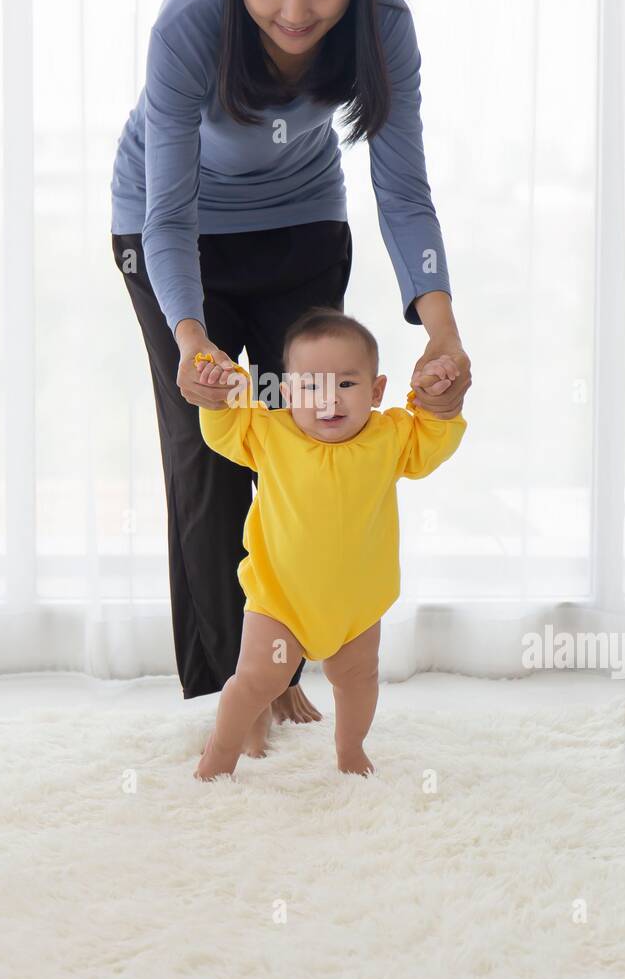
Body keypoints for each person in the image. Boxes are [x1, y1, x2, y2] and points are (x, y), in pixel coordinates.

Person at [110, 0, 472, 732]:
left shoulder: (384, 24)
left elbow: (404, 192)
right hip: (169, 232)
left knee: (308, 434)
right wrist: (194, 342)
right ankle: (222, 692)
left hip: (301, 226)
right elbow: (168, 213)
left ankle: (284, 663)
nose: (296, 12)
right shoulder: (190, 24)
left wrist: (443, 332)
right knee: (209, 452)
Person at [191, 307, 467, 779]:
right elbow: (225, 425)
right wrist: (220, 384)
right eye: (311, 386)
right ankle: (221, 752)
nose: (329, 400)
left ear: (376, 391)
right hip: (280, 601)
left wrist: (440, 398)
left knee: (358, 680)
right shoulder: (270, 432)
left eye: (346, 384)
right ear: (287, 391)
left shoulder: (392, 436)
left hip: (356, 606)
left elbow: (433, 440)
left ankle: (350, 750)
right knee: (257, 680)